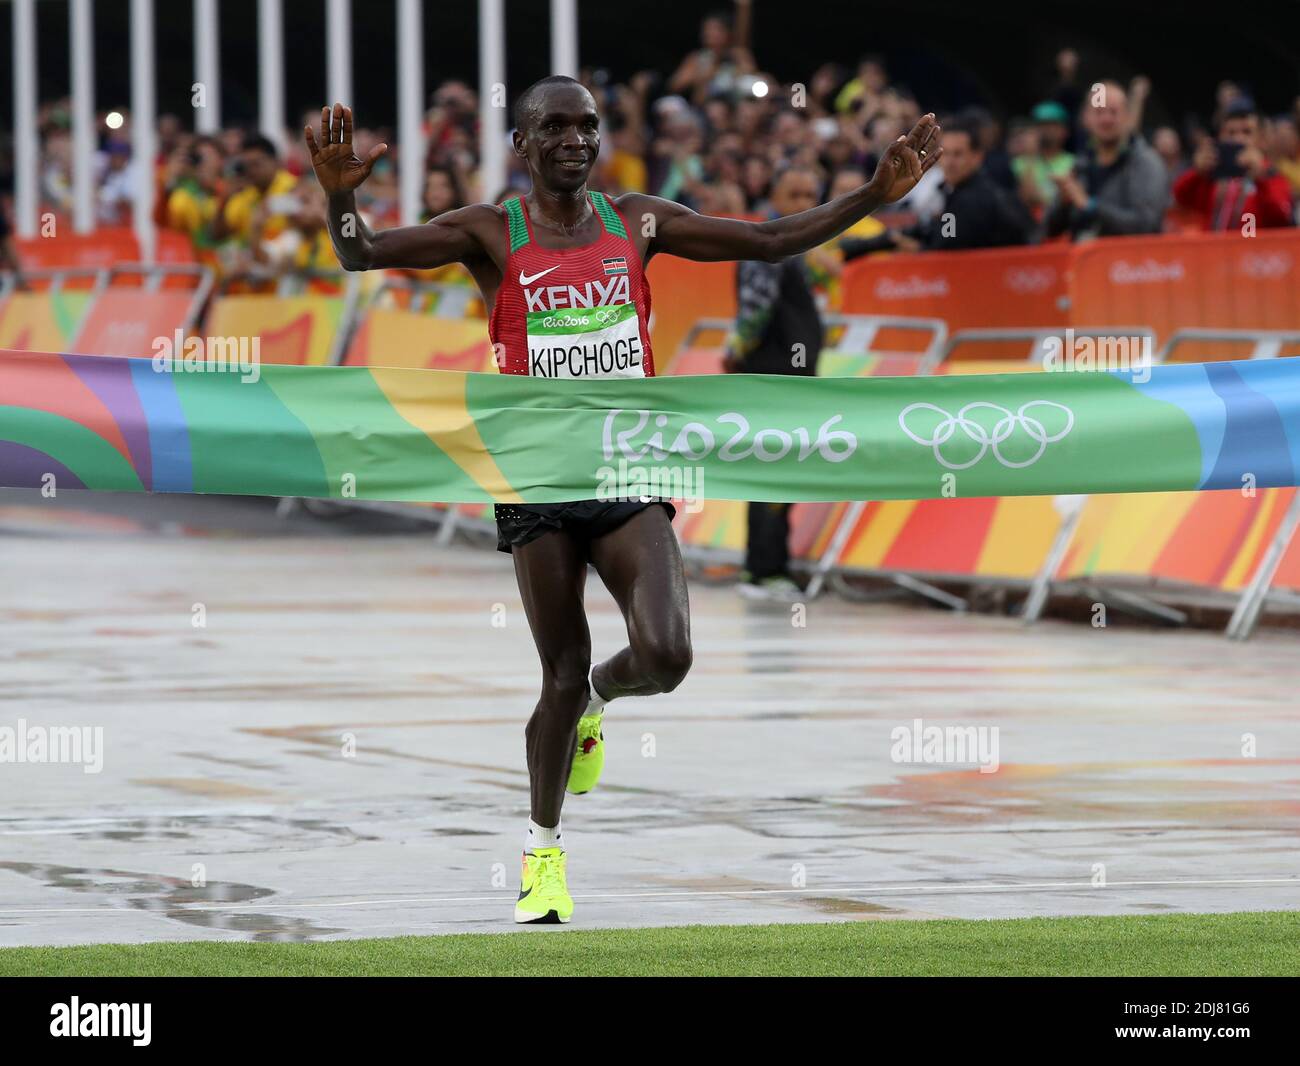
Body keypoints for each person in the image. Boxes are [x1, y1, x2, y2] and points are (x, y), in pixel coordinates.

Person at [306, 77, 941, 924]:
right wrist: (341, 202)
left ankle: (607, 698)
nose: (576, 138)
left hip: (626, 467)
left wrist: (872, 193)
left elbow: (771, 238)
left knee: (668, 656)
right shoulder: (491, 232)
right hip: (536, 478)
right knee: (556, 673)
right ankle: (542, 853)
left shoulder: (636, 221)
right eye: (555, 127)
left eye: (589, 125)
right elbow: (362, 255)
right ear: (523, 144)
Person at [723, 166, 824, 601]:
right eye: (794, 194)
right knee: (774, 470)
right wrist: (736, 349)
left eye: (810, 195)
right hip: (774, 376)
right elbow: (755, 309)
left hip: (787, 377)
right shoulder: (766, 243)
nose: (803, 204)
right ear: (774, 196)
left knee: (778, 470)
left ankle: (767, 566)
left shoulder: (793, 246)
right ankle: (765, 570)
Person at [1045, 80, 1168, 240]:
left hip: (1128, 262)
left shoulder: (1146, 163)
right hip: (1083, 261)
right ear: (1086, 118)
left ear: (1127, 117)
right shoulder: (1080, 166)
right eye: (1099, 112)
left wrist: (1091, 207)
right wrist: (1063, 203)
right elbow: (1049, 230)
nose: (1106, 119)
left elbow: (1147, 225)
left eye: (1113, 112)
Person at [1172, 100, 1294, 232]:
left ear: (1262, 140)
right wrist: (1196, 172)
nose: (1238, 139)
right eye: (1231, 133)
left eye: (1247, 132)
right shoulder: (1212, 175)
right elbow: (1180, 198)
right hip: (1214, 250)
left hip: (1254, 251)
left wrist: (1261, 179)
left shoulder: (1271, 174)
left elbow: (1282, 218)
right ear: (1220, 137)